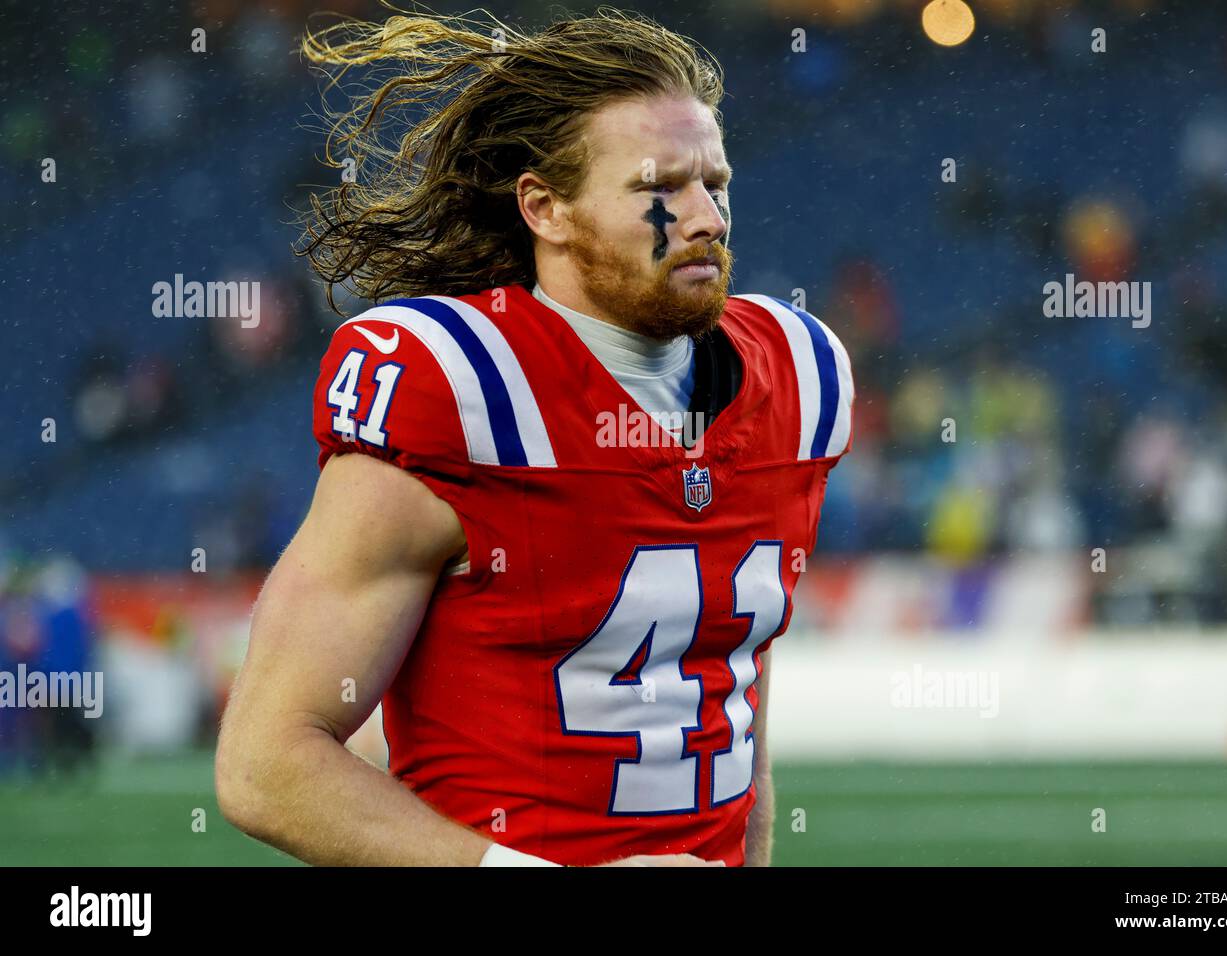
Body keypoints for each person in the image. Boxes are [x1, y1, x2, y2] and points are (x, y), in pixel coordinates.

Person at [216, 8, 853, 867]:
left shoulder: (799, 374)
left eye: (717, 183)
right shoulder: (461, 387)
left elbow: (736, 687)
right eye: (661, 187)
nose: (707, 218)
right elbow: (266, 765)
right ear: (545, 209)